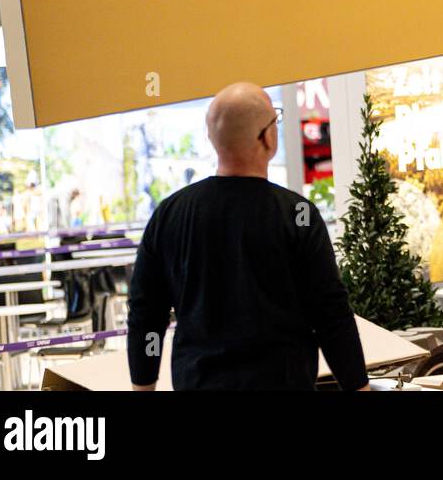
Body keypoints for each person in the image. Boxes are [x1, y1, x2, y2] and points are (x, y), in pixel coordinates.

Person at [126, 82, 368, 391]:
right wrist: (358, 387)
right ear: (268, 137)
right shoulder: (298, 215)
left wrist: (143, 387)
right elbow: (330, 317)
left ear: (212, 138)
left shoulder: (169, 215)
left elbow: (146, 316)